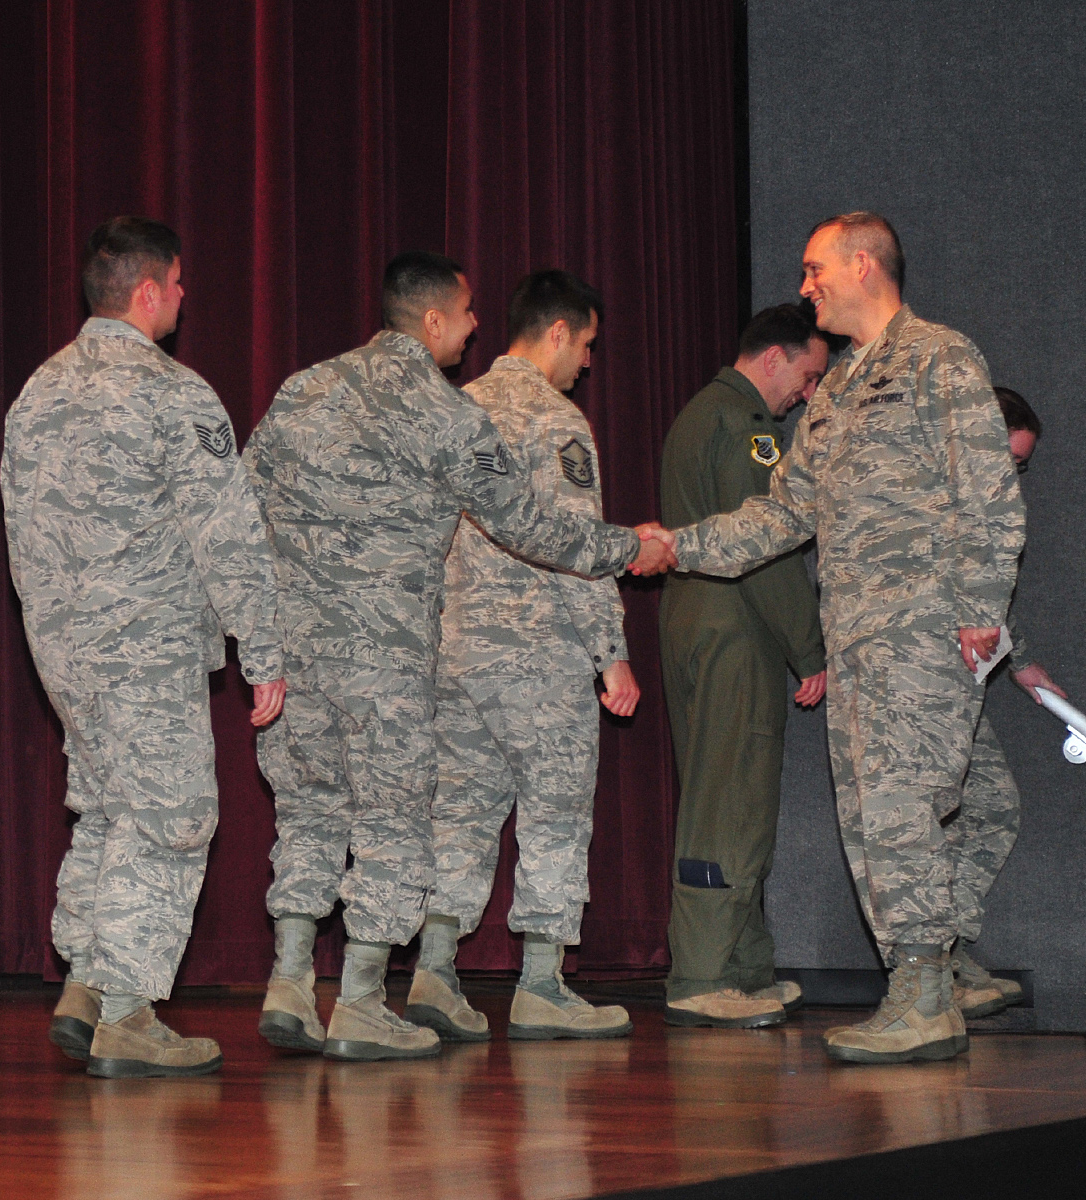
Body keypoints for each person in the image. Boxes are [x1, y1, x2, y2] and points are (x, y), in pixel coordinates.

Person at [245, 251, 674, 1062]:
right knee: (397, 822)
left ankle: (292, 985)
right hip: (394, 663)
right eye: (468, 313)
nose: (478, 326)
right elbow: (534, 526)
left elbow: (238, 507)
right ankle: (366, 1001)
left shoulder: (304, 388)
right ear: (433, 320)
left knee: (309, 814)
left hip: (303, 656)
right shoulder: (447, 417)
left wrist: (254, 639)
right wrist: (630, 549)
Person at [662, 212, 1024, 1063]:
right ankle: (918, 989)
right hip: (856, 643)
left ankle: (928, 994)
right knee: (869, 822)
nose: (805, 284)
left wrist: (980, 609)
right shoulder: (841, 391)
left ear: (864, 263)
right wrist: (679, 544)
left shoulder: (941, 357)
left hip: (925, 639)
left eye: (816, 267)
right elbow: (783, 513)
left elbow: (991, 495)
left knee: (902, 812)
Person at [2, 217, 284, 1079]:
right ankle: (127, 1010)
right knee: (170, 814)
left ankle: (87, 988)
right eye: (179, 282)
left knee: (112, 811)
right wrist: (264, 645)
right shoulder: (173, 392)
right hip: (145, 643)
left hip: (63, 651)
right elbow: (227, 531)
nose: (185, 298)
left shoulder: (36, 391)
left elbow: (19, 530)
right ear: (149, 291)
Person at [418, 269, 645, 1044]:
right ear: (556, 332)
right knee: (553, 814)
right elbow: (580, 547)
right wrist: (610, 654)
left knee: (459, 816)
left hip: (453, 656)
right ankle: (543, 984)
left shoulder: (454, 408)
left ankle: (434, 973)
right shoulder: (556, 421)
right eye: (584, 343)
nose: (585, 361)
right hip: (540, 657)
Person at [657, 304, 830, 1029]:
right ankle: (701, 976)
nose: (809, 394)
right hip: (736, 624)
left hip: (702, 619)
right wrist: (810, 648)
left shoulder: (706, 412)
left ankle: (742, 968)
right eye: (808, 375)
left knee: (731, 793)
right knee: (728, 800)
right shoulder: (745, 428)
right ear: (773, 359)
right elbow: (764, 548)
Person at [945, 386, 1064, 1019]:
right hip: (917, 689)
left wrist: (1020, 664)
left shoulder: (988, 508)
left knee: (990, 808)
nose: (1013, 479)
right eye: (1009, 464)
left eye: (1020, 469)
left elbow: (990, 597)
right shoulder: (932, 494)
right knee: (922, 824)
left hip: (962, 687)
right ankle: (929, 971)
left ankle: (949, 955)